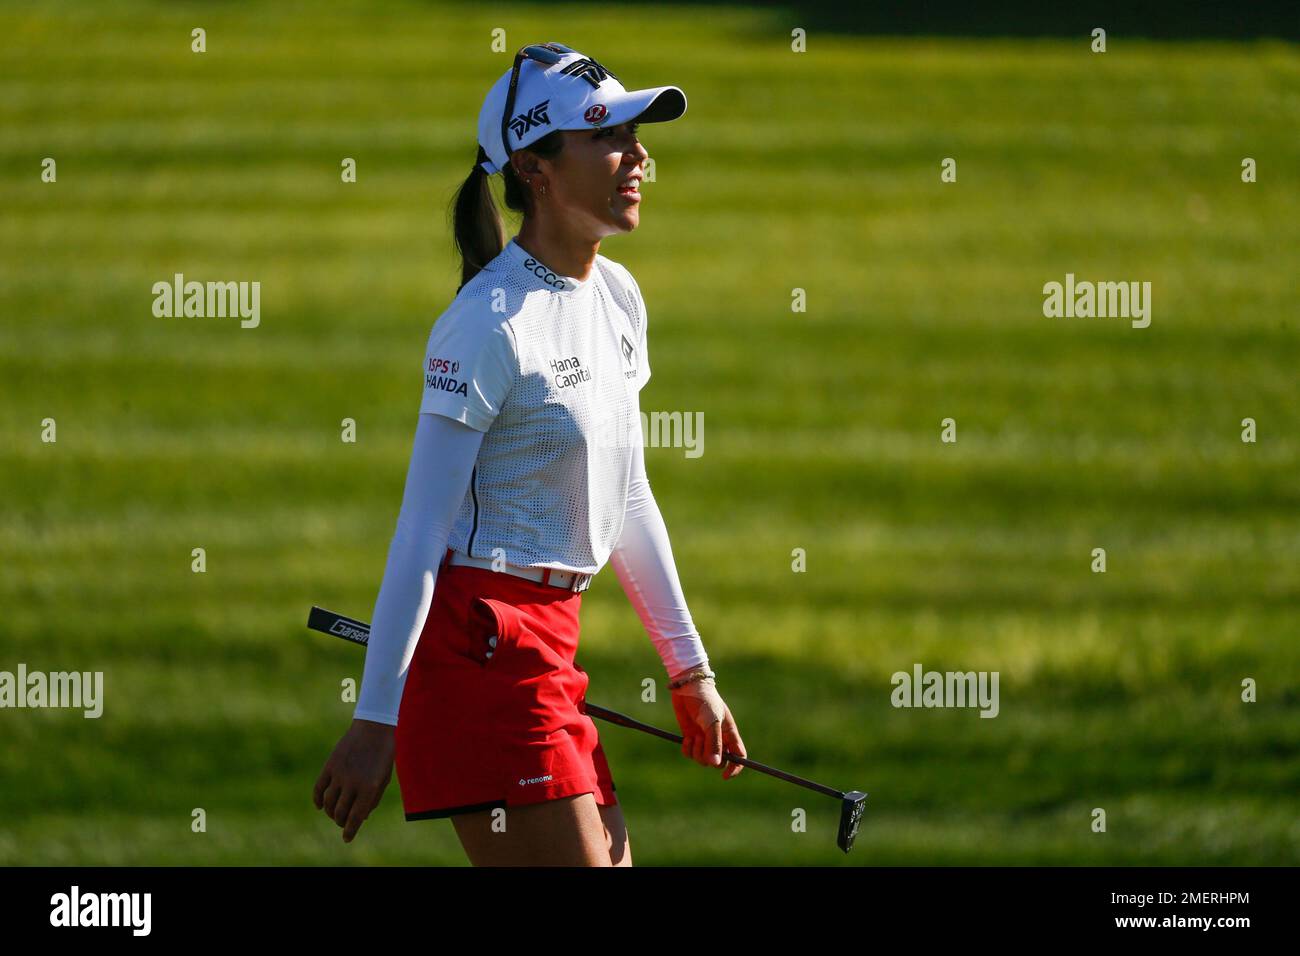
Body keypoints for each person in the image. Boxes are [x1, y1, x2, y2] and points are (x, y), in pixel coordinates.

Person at [312, 42, 745, 866]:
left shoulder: (618, 297)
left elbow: (628, 495)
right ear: (533, 168)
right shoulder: (487, 323)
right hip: (483, 655)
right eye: (608, 136)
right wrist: (377, 718)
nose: (639, 156)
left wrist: (691, 673)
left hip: (550, 651)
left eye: (635, 135)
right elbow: (420, 530)